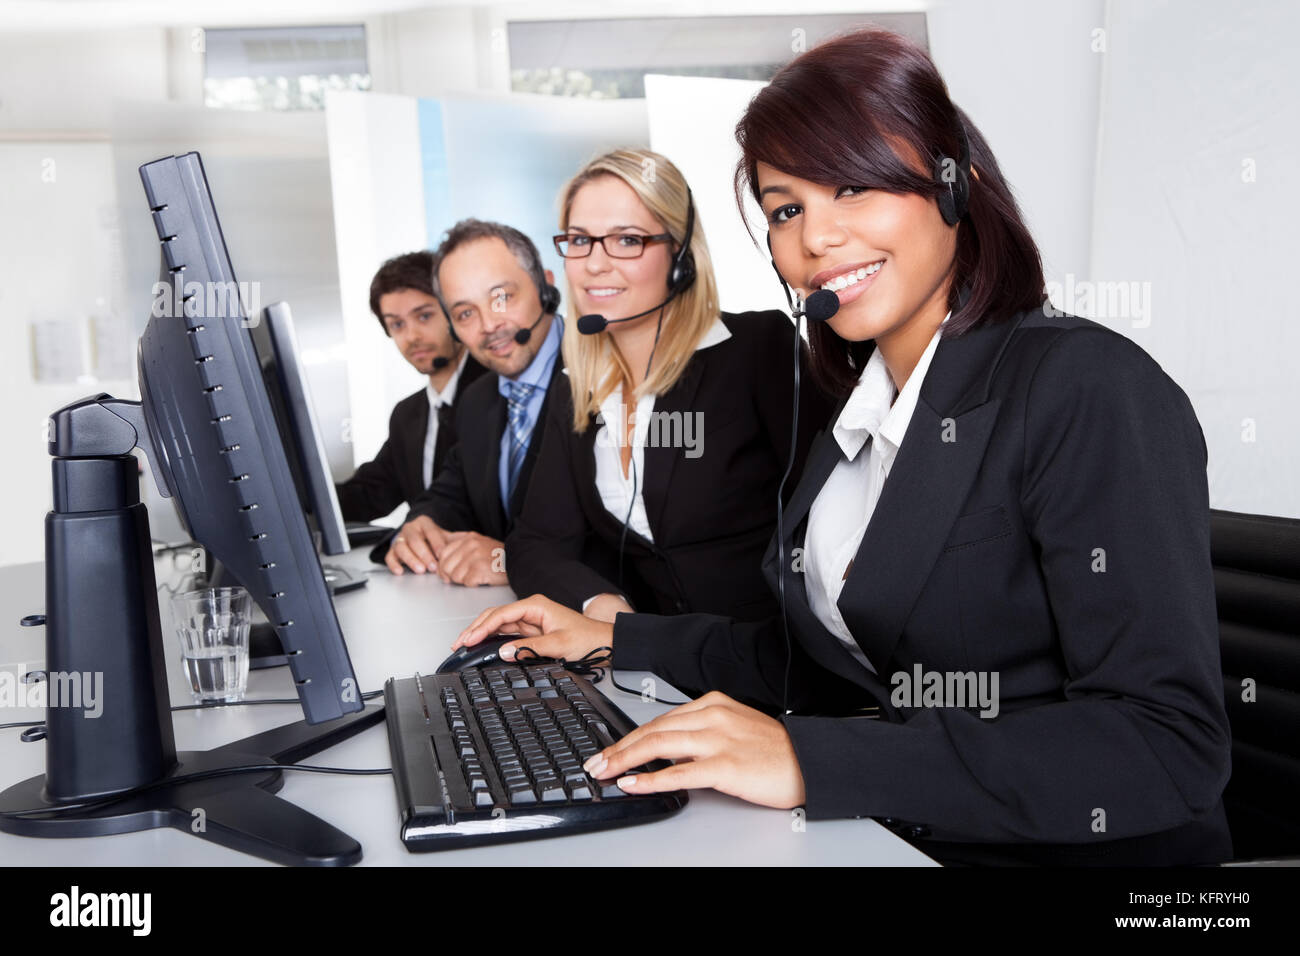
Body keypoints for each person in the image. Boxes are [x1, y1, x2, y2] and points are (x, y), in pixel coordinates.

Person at [453, 29, 1233, 866]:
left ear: (952, 184)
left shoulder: (1084, 386)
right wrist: (611, 639)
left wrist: (809, 760)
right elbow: (822, 664)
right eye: (787, 208)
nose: (815, 239)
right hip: (893, 835)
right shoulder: (856, 420)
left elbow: (1166, 743)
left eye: (854, 186)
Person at [503, 148, 831, 624]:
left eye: (627, 240)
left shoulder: (758, 350)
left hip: (777, 673)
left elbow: (835, 530)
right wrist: (602, 605)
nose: (594, 264)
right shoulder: (578, 385)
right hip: (651, 674)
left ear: (681, 257)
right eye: (579, 240)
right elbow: (534, 543)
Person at [379, 220, 566, 587]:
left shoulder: (611, 374)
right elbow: (453, 491)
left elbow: (629, 544)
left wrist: (511, 562)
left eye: (502, 298)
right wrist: (424, 523)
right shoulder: (479, 399)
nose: (488, 325)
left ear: (545, 285)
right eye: (465, 313)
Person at [335, 251, 486, 523]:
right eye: (397, 324)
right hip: (428, 563)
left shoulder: (497, 396)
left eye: (424, 316)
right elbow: (369, 495)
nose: (411, 336)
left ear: (457, 313)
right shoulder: (408, 415)